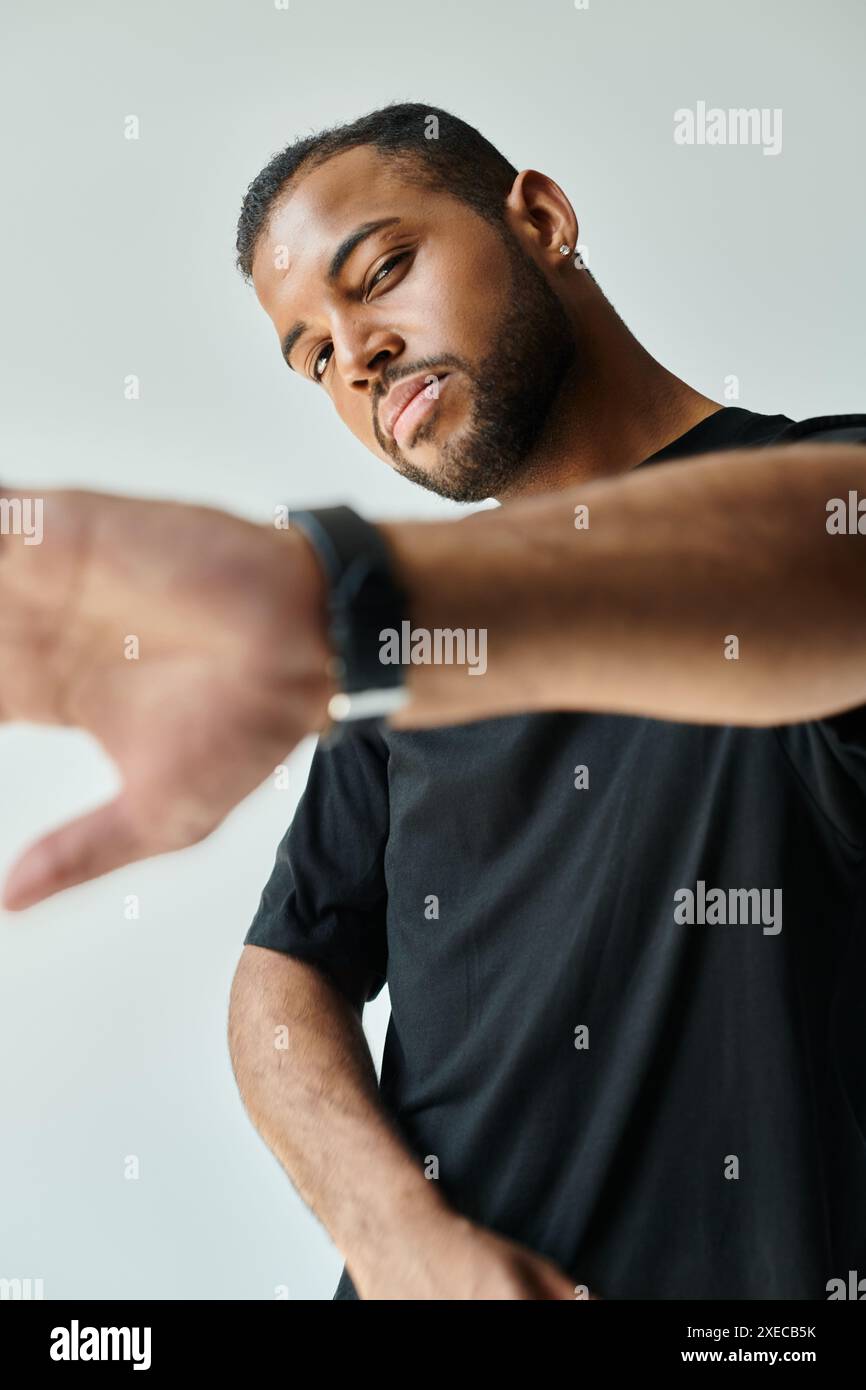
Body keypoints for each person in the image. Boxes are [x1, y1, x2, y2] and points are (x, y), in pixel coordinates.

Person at [1, 101, 864, 1298]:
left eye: (383, 272)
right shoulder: (396, 674)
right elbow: (284, 970)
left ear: (543, 220)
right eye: (313, 353)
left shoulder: (821, 505)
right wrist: (398, 1239)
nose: (353, 357)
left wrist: (345, 598)